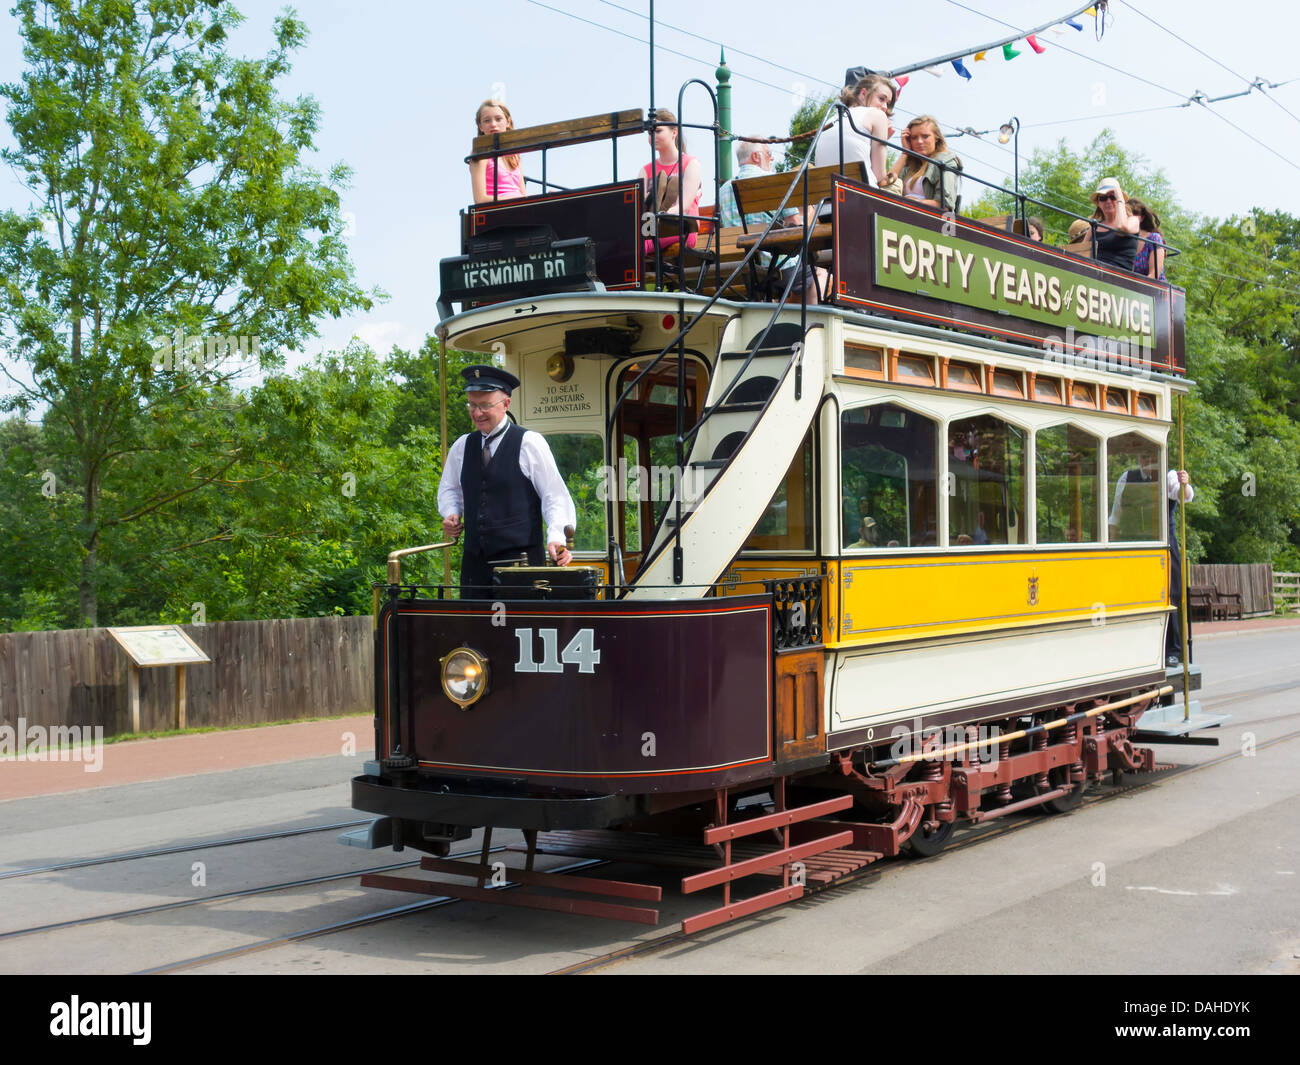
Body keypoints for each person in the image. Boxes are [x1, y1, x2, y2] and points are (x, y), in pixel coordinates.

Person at [437, 365, 576, 598]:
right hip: (474, 567)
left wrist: (556, 538)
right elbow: (450, 489)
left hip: (521, 566)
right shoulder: (462, 446)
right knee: (474, 630)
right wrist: (451, 513)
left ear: (506, 404)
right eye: (472, 405)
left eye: (485, 406)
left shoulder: (530, 443)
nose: (477, 413)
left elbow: (554, 495)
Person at [719, 138, 825, 303]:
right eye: (768, 154)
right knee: (819, 274)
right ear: (756, 156)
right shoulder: (775, 181)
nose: (772, 158)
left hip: (741, 268)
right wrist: (811, 212)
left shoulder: (724, 189)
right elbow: (796, 227)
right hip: (775, 265)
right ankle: (807, 325)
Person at [812, 75, 899, 191]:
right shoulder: (878, 115)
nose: (884, 107)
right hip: (860, 197)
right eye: (881, 99)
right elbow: (879, 175)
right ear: (863, 94)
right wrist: (884, 140)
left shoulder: (831, 119)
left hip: (825, 201)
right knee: (898, 184)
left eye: (887, 103)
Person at [643, 108, 702, 256]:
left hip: (683, 228)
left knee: (634, 247)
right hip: (651, 230)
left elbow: (684, 206)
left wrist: (663, 216)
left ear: (674, 132)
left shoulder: (690, 163)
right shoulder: (646, 170)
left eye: (658, 131)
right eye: (650, 133)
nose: (653, 136)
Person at [886, 116, 961, 213]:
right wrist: (905, 153)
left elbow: (945, 204)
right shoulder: (908, 166)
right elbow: (887, 186)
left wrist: (916, 202)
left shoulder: (946, 161)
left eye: (925, 136)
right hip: (901, 214)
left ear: (936, 138)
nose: (919, 141)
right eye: (914, 138)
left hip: (928, 221)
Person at [1164, 468, 1194, 665]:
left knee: (1173, 589)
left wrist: (1184, 484)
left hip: (1165, 539)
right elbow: (1117, 512)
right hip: (1137, 540)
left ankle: (1173, 649)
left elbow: (1183, 496)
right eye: (1142, 457)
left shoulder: (1168, 475)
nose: (1146, 461)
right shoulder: (1128, 477)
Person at [1089, 177, 1140, 271]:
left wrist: (1120, 198)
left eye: (1113, 197)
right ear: (1098, 203)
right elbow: (1081, 251)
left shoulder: (1133, 221)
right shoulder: (1094, 226)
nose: (1108, 201)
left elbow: (1120, 227)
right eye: (1103, 198)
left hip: (1119, 279)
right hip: (1093, 276)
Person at [1126, 196, 1167, 281]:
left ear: (1142, 217)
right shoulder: (1121, 239)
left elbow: (1154, 275)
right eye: (1128, 213)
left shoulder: (1153, 238)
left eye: (1135, 213)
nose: (1132, 216)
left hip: (1151, 290)